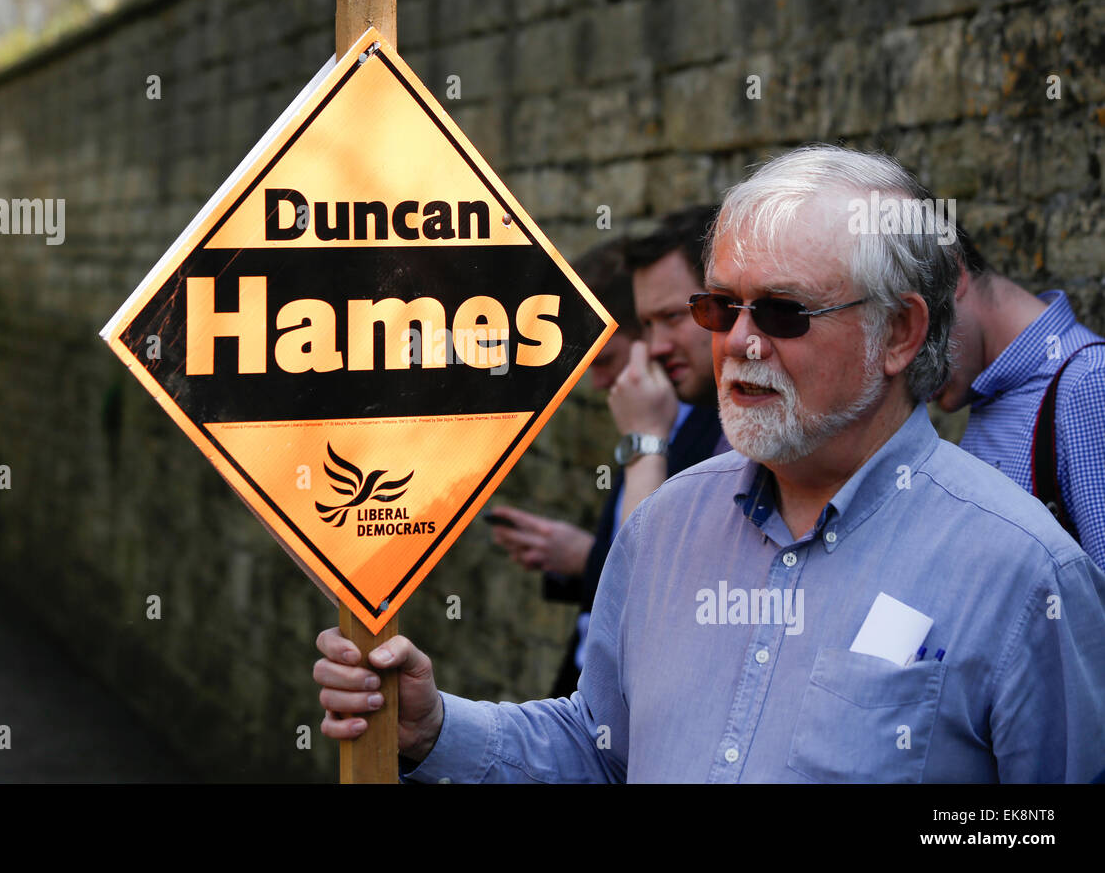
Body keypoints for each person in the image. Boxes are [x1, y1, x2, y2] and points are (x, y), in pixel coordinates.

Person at [312, 144, 1105, 782]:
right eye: (720, 307)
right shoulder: (662, 524)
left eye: (784, 312)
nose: (741, 342)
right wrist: (435, 727)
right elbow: (600, 748)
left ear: (898, 334)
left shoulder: (1023, 571)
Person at [489, 211, 725, 696]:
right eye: (648, 323)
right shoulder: (656, 415)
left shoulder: (721, 430)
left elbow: (647, 595)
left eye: (672, 319)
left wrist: (585, 557)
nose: (659, 346)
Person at [933, 232, 1105, 570]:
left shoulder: (1089, 384)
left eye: (909, 322)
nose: (907, 364)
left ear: (949, 276)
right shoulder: (989, 388)